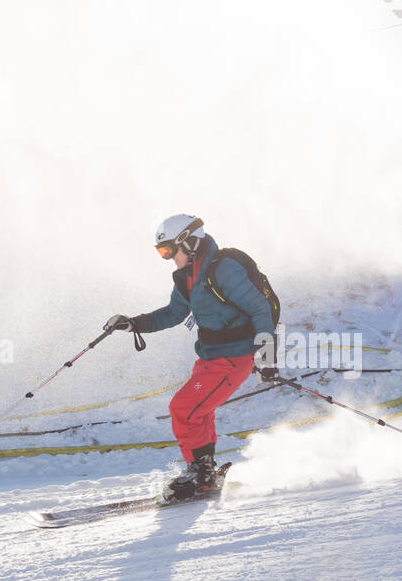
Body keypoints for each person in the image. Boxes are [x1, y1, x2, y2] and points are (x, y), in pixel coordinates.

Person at [104, 214, 277, 501]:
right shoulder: (188, 276)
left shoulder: (224, 270)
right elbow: (174, 313)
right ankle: (204, 472)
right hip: (210, 358)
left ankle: (198, 473)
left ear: (190, 242)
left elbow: (261, 310)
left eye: (169, 251)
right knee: (198, 411)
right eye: (163, 252)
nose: (168, 258)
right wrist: (133, 323)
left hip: (234, 357)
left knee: (183, 408)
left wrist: (268, 357)